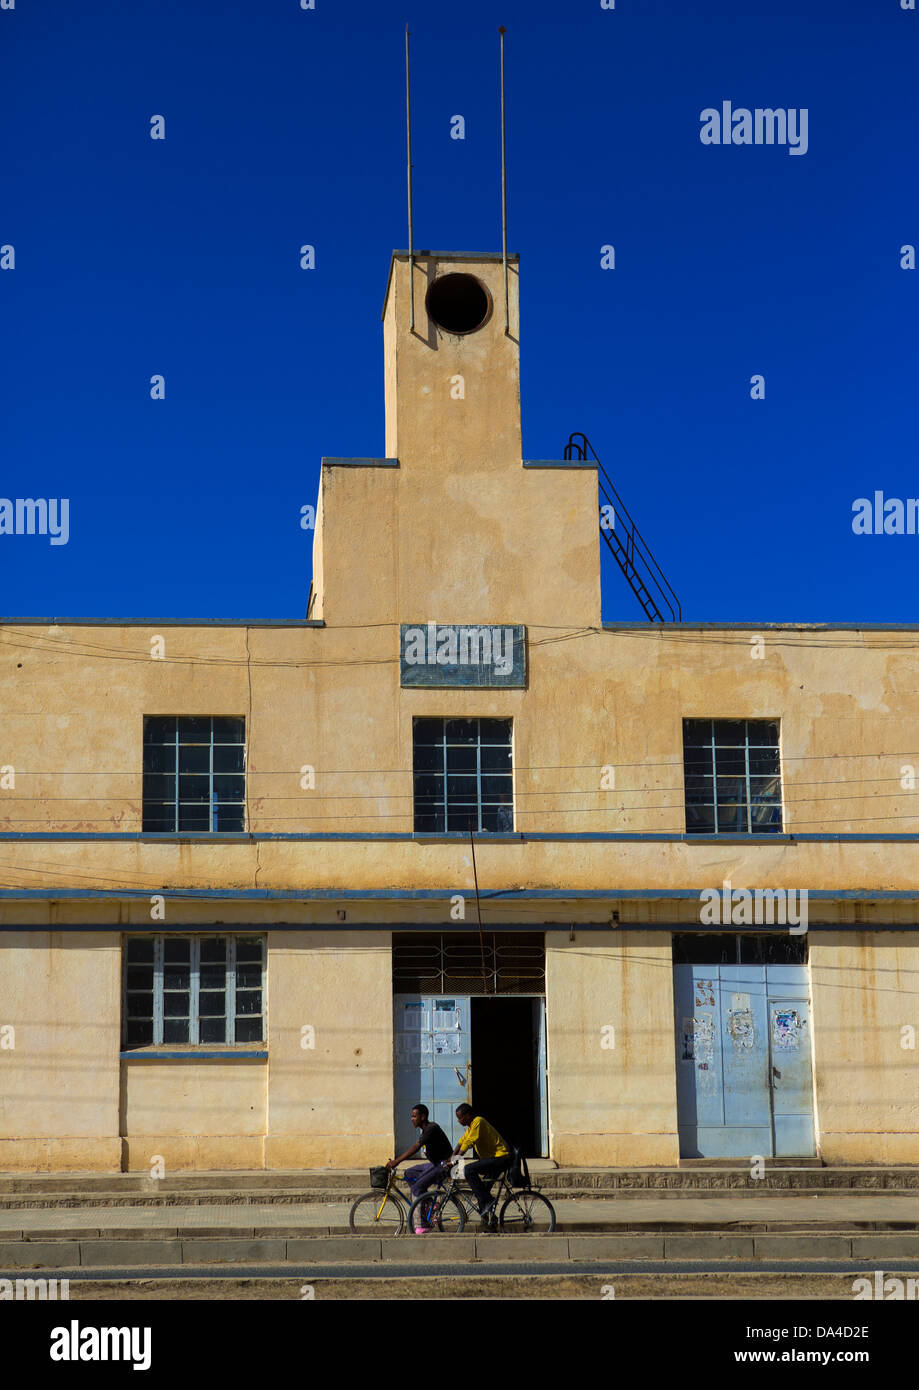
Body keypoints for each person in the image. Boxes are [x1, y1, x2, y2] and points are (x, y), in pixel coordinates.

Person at [386, 1104, 452, 1227]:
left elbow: (415, 1147)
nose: (412, 1119)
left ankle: (422, 1225)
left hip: (443, 1166)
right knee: (409, 1173)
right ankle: (428, 1202)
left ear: (423, 1117)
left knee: (416, 1188)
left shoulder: (432, 1128)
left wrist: (397, 1161)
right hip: (435, 1164)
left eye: (414, 1116)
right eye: (411, 1116)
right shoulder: (425, 1131)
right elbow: (417, 1145)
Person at [449, 1103, 511, 1225]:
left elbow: (469, 1143)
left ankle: (488, 1201)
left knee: (468, 1170)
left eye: (460, 1117)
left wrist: (457, 1159)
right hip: (491, 1160)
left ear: (468, 1115)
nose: (458, 1120)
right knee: (482, 1191)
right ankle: (490, 1221)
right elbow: (462, 1142)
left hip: (500, 1157)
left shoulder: (478, 1121)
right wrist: (451, 1158)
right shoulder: (470, 1127)